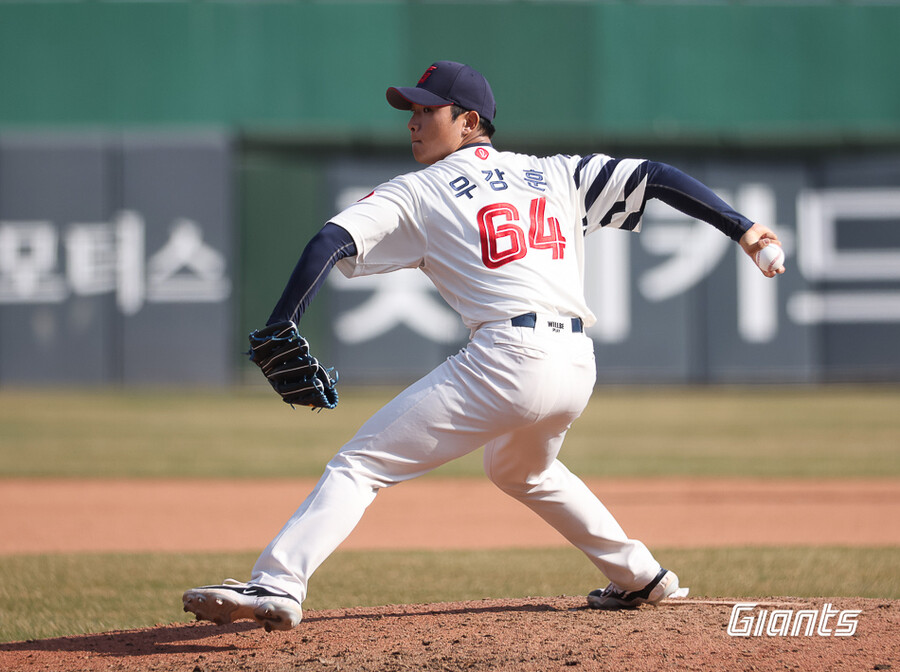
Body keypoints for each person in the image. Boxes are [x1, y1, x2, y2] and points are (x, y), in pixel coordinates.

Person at [183, 61, 785, 632]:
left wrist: (284, 317)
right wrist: (743, 228)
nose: (413, 121)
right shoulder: (556, 172)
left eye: (427, 109)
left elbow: (332, 238)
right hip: (576, 365)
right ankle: (641, 576)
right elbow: (655, 176)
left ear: (470, 122)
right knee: (521, 468)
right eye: (409, 110)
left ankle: (278, 583)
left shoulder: (419, 189)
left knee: (360, 464)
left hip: (507, 358)